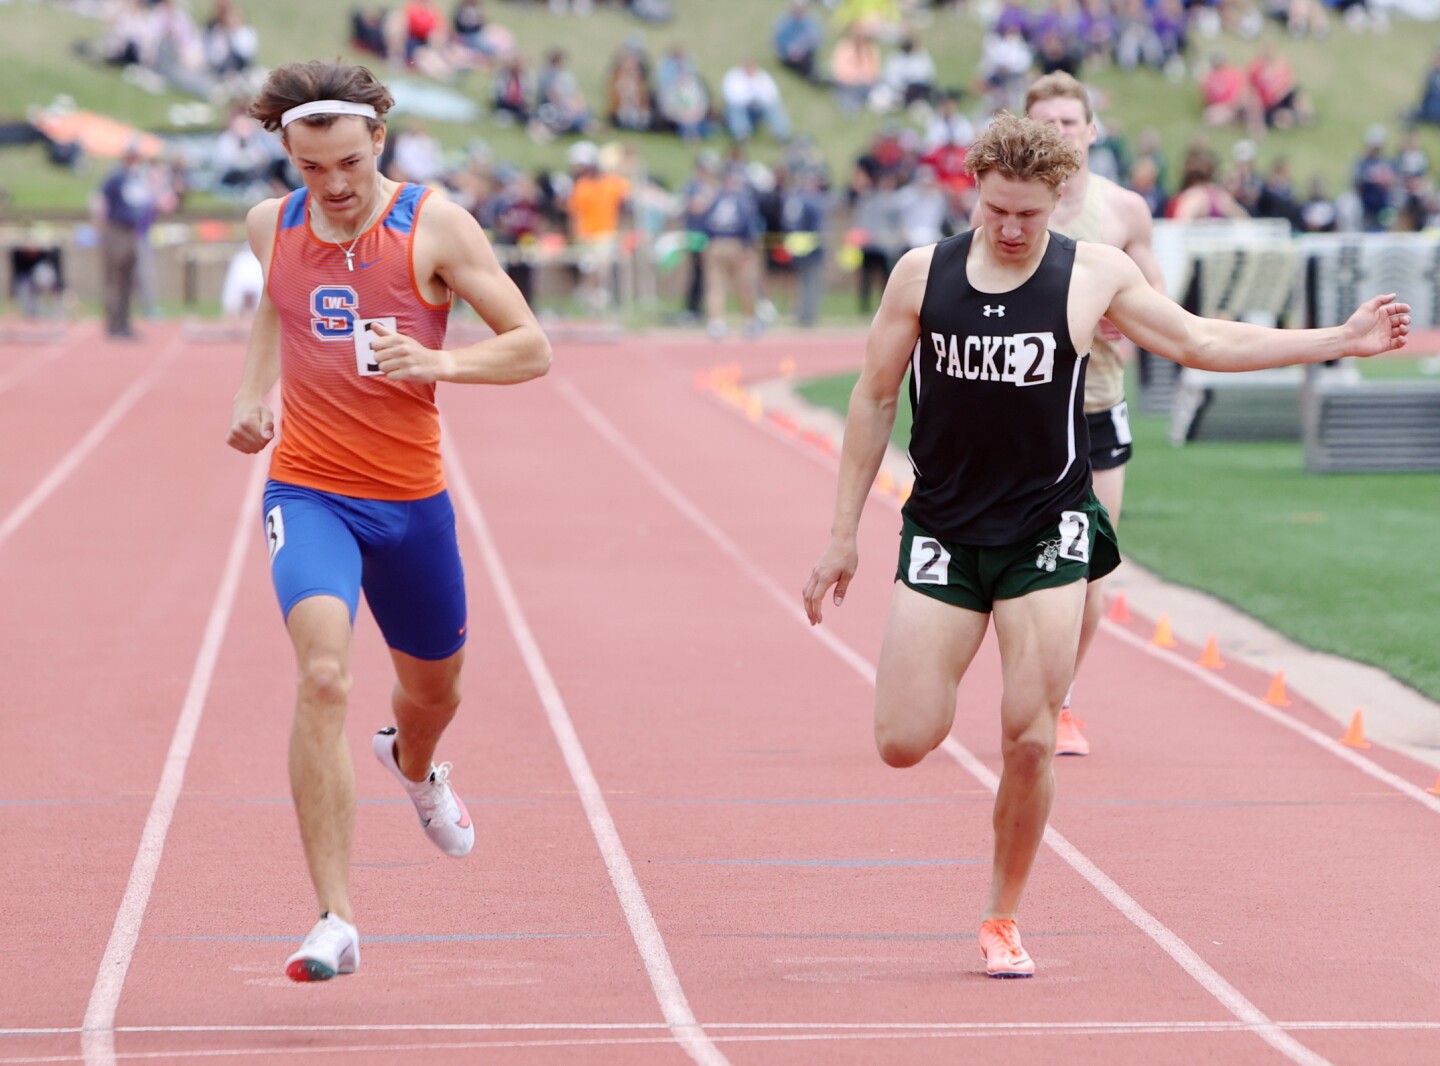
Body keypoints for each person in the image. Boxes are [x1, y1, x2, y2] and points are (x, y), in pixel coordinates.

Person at [801, 111, 1409, 980]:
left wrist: (1336, 342)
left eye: (1029, 215)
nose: (1011, 230)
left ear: (1060, 199)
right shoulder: (919, 276)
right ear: (976, 192)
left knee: (1030, 739)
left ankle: (1002, 916)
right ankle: (959, 701)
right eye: (996, 210)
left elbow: (1199, 340)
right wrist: (841, 537)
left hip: (1049, 529)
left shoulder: (1092, 275)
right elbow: (871, 397)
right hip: (943, 527)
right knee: (903, 738)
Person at [225, 59, 552, 983]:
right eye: (309, 167)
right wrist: (253, 395)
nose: (330, 186)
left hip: (411, 504)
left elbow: (532, 348)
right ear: (286, 154)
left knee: (436, 693)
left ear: (379, 139)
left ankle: (414, 762)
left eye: (346, 164)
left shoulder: (436, 226)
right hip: (309, 491)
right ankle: (335, 917)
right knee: (324, 675)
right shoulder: (270, 226)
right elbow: (276, 307)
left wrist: (437, 364)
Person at [1019, 72, 1167, 757]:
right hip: (1026, 415)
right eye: (1044, 121)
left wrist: (1126, 320)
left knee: (1090, 576)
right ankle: (1030, 689)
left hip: (1100, 410)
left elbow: (1160, 310)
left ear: (1092, 131)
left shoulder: (1123, 210)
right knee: (1020, 569)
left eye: (1069, 122)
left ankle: (1060, 702)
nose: (1058, 132)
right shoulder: (1011, 207)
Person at [94, 143, 157, 340]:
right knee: (115, 278)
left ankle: (124, 323)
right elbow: (99, 201)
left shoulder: (137, 178)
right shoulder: (116, 177)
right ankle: (114, 324)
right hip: (116, 229)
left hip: (132, 232)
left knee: (128, 280)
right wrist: (100, 227)